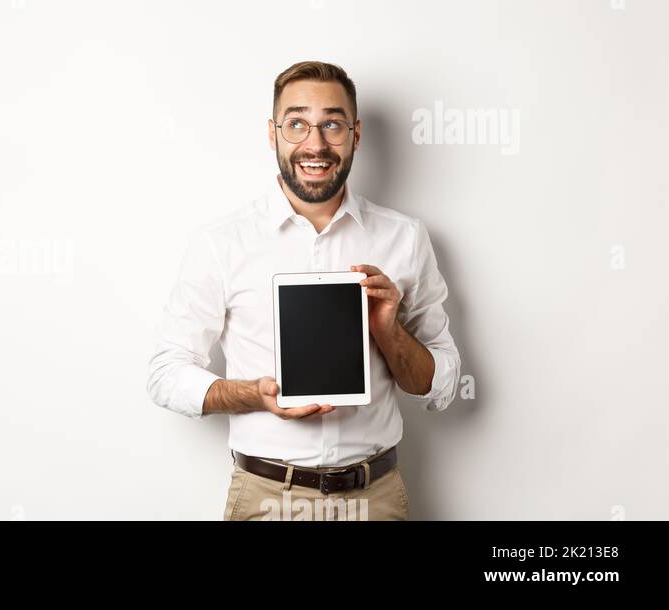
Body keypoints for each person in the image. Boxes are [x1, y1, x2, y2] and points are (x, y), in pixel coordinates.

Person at [146, 61, 461, 521]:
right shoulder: (222, 242)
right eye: (297, 124)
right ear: (274, 134)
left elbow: (440, 386)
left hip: (375, 498)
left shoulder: (405, 238)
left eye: (332, 124)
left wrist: (388, 332)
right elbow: (165, 373)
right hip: (266, 496)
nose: (315, 144)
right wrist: (254, 394)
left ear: (355, 134)